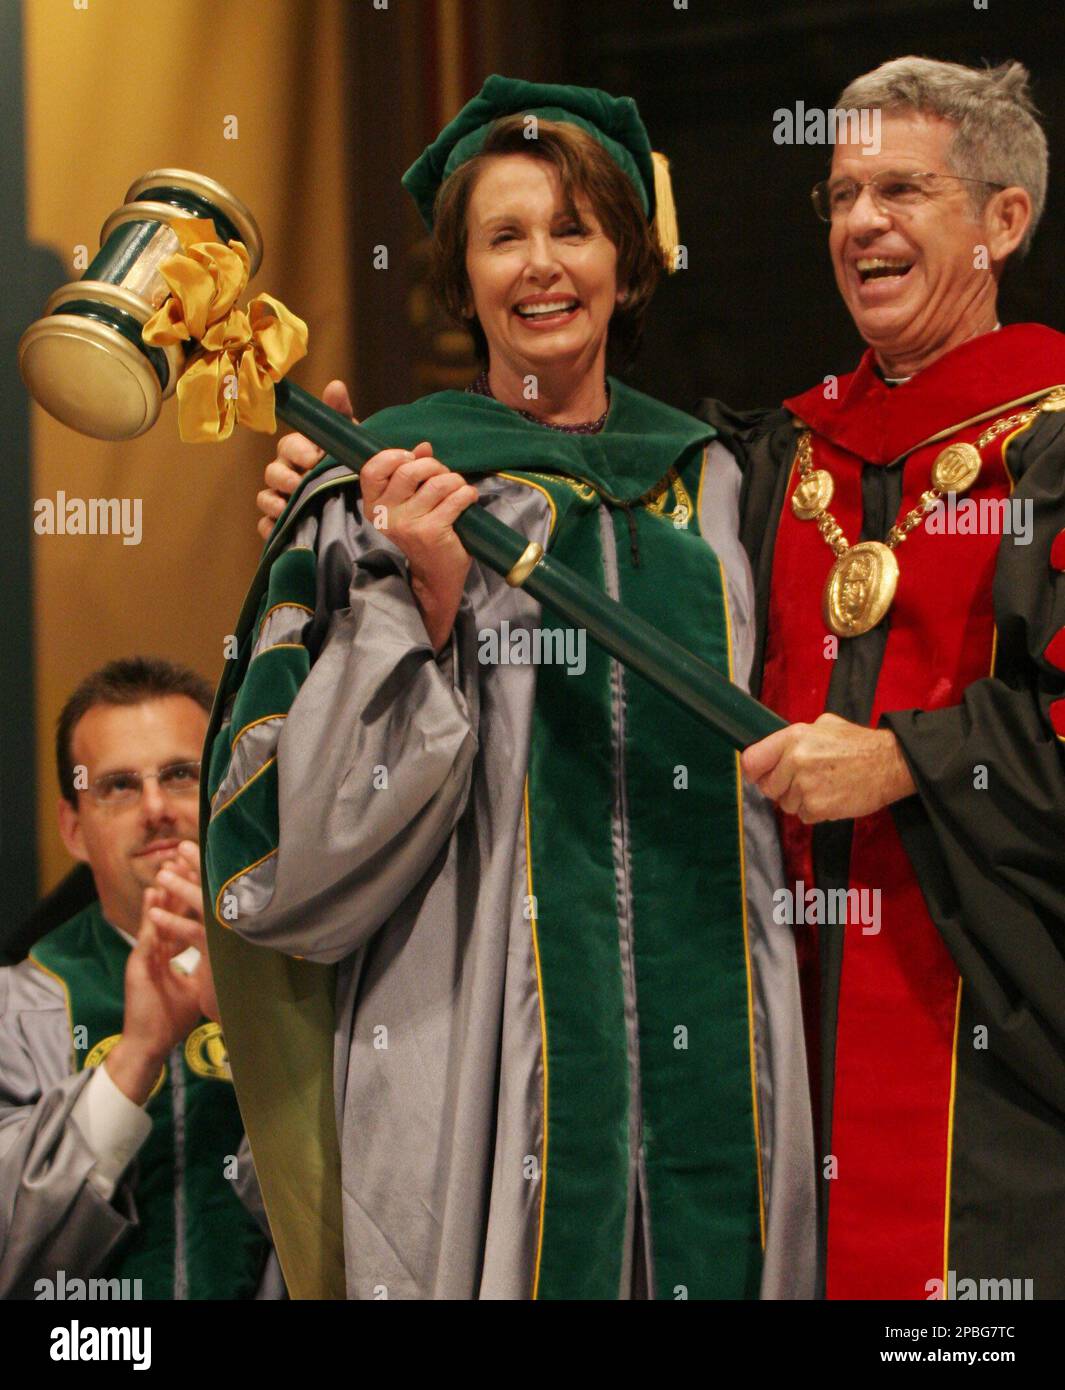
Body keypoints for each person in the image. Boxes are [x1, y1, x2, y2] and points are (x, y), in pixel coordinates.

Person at [213, 76, 815, 1300]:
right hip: (474, 1054)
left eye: (575, 229)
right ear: (463, 272)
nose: (543, 267)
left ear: (630, 261)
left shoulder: (718, 486)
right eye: (504, 236)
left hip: (725, 1055)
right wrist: (418, 615)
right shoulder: (386, 489)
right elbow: (286, 848)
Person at [697, 57, 1065, 1299]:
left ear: (1003, 221)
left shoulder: (1053, 446)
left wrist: (909, 755)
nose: (861, 223)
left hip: (1006, 1062)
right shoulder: (777, 458)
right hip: (782, 1061)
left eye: (902, 189)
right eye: (843, 194)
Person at [0, 657, 279, 1299]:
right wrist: (135, 1057)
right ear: (73, 828)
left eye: (181, 775)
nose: (155, 808)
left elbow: (368, 1226)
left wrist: (252, 1018)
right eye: (119, 786)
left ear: (222, 794)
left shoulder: (313, 980)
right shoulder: (18, 1008)